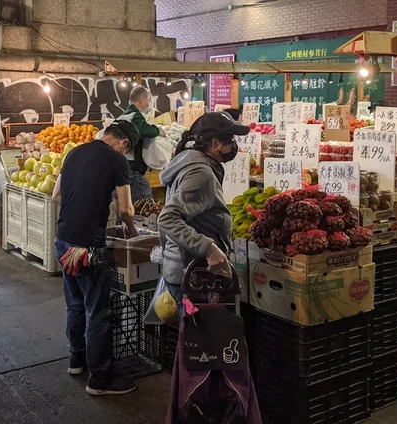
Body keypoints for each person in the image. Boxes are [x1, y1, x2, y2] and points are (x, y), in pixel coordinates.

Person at [51, 119, 140, 397]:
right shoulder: (118, 161)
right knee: (97, 310)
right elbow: (126, 209)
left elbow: (56, 196)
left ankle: (77, 361)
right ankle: (100, 378)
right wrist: (132, 230)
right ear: (125, 144)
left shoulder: (74, 151)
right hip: (88, 249)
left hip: (63, 241)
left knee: (75, 304)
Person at [158, 112, 250, 308]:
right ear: (215, 143)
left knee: (192, 335)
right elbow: (167, 219)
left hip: (188, 271)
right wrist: (208, 248)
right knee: (202, 336)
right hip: (194, 275)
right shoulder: (201, 173)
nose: (233, 146)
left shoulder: (190, 162)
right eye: (230, 141)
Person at [123, 86, 165, 202]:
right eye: (148, 99)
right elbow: (145, 130)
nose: (149, 102)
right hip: (133, 170)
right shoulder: (133, 115)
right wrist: (157, 131)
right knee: (143, 202)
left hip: (128, 167)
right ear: (142, 99)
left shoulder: (127, 114)